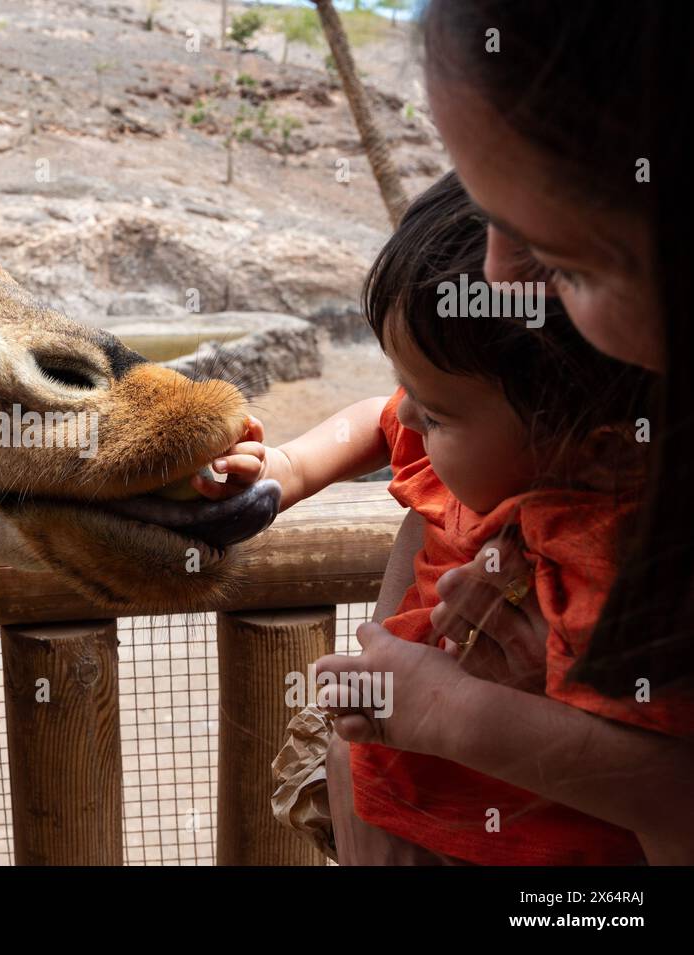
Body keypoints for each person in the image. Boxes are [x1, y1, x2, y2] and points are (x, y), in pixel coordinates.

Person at [203, 170, 678, 863]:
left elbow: (660, 782)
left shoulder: (614, 572)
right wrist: (289, 467)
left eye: (434, 410)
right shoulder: (473, 440)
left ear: (597, 451)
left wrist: (447, 711)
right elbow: (378, 418)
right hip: (394, 811)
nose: (405, 416)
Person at [319, 0, 694, 864]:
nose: (494, 275)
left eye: (561, 257)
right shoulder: (503, 464)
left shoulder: (616, 548)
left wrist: (460, 713)